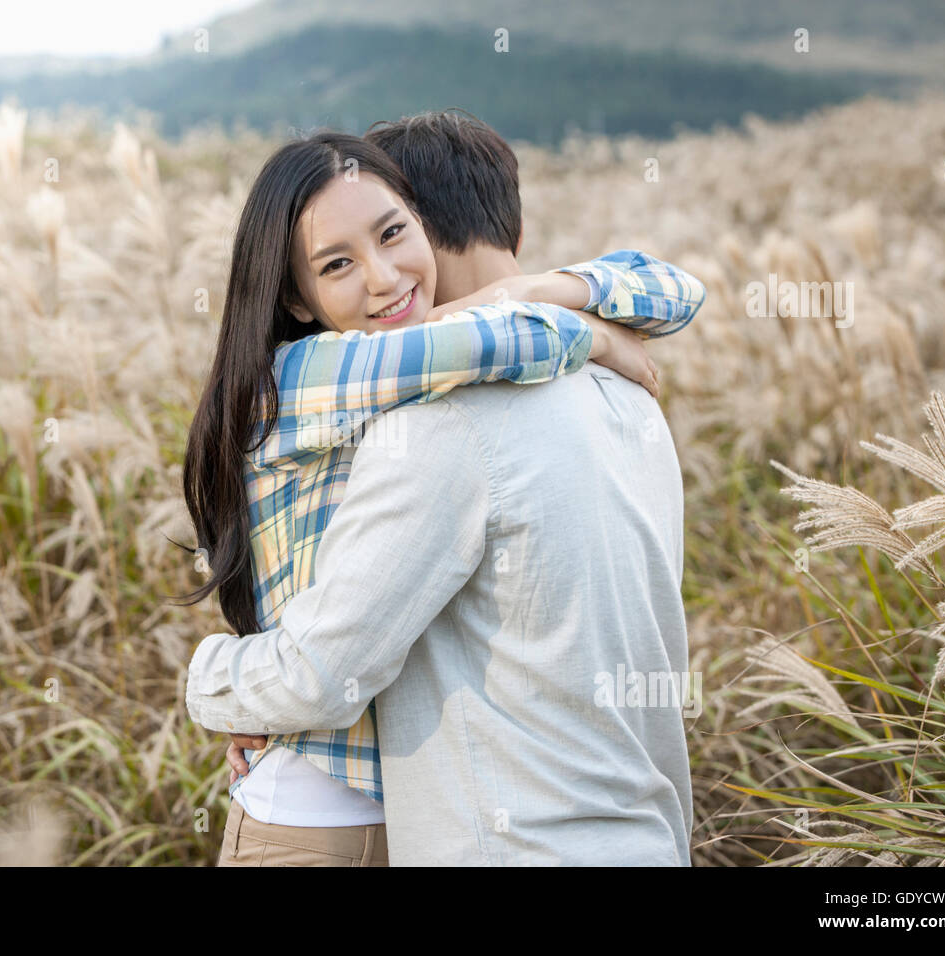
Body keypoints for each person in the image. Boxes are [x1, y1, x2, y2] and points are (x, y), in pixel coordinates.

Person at [178, 112, 704, 865]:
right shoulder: (629, 398)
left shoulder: (440, 418)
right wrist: (584, 324)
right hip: (644, 836)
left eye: (392, 233)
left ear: (421, 223)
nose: (385, 277)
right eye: (337, 263)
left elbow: (321, 675)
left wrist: (222, 684)